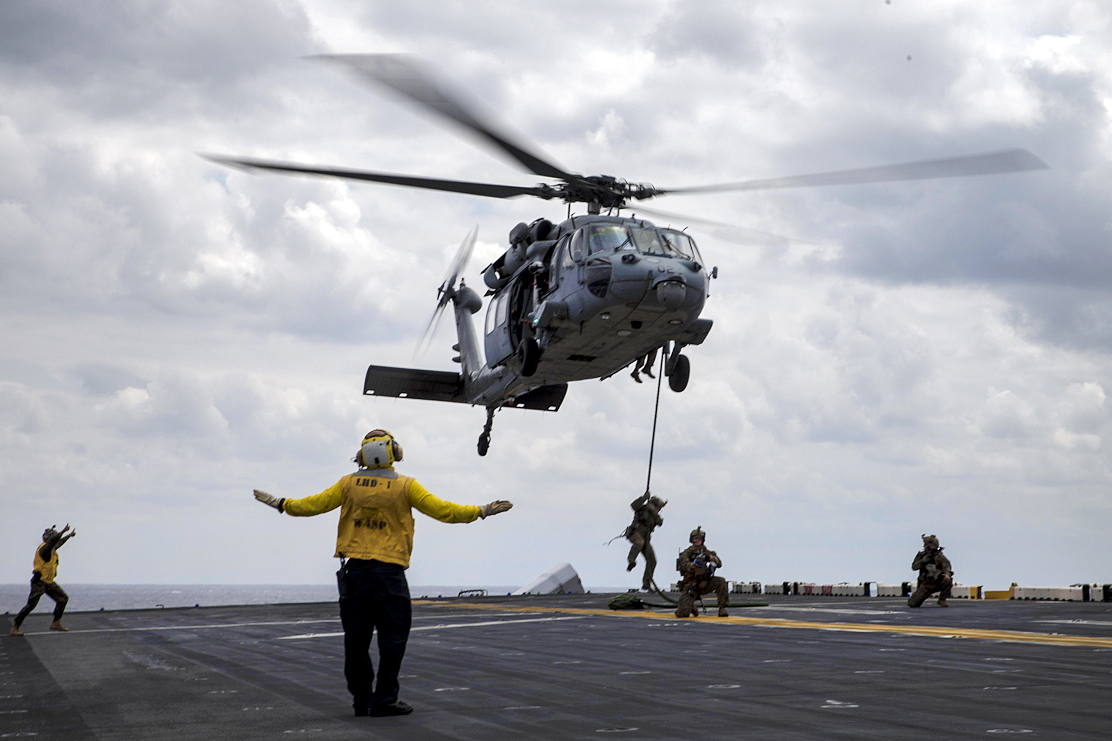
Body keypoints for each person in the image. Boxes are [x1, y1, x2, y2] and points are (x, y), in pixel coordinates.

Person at [252, 429, 513, 718]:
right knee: (393, 639)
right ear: (394, 453)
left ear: (362, 455)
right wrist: (481, 510)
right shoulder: (406, 486)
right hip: (389, 574)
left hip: (355, 574)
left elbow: (312, 505)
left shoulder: (348, 484)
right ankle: (385, 699)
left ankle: (361, 700)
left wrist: (281, 504)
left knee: (356, 640)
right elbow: (444, 511)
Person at [11, 524, 76, 636]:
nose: (56, 539)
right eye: (55, 537)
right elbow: (54, 542)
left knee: (63, 599)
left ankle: (56, 623)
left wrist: (68, 535)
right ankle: (15, 627)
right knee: (31, 605)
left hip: (49, 582)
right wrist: (63, 531)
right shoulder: (44, 549)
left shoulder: (52, 548)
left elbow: (58, 543)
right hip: (39, 583)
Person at [674, 527, 729, 618]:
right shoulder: (686, 553)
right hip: (692, 585)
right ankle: (691, 607)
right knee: (682, 614)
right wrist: (693, 564)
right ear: (691, 540)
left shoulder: (706, 552)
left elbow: (719, 564)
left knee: (721, 581)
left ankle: (722, 608)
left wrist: (711, 558)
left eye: (700, 538)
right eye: (695, 538)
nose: (697, 540)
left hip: (705, 582)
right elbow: (684, 565)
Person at [625, 491, 666, 590]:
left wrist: (653, 513)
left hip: (645, 538)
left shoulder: (654, 514)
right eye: (659, 507)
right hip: (635, 534)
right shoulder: (643, 509)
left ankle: (646, 582)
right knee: (639, 542)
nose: (659, 510)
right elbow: (633, 505)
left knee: (652, 560)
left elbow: (660, 522)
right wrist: (644, 498)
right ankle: (631, 560)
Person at [908, 534, 953, 608]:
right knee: (913, 604)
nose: (924, 547)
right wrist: (923, 561)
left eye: (925, 545)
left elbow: (946, 565)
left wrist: (947, 574)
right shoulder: (921, 555)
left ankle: (942, 600)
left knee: (948, 580)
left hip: (937, 582)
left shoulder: (939, 556)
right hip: (926, 585)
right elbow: (914, 567)